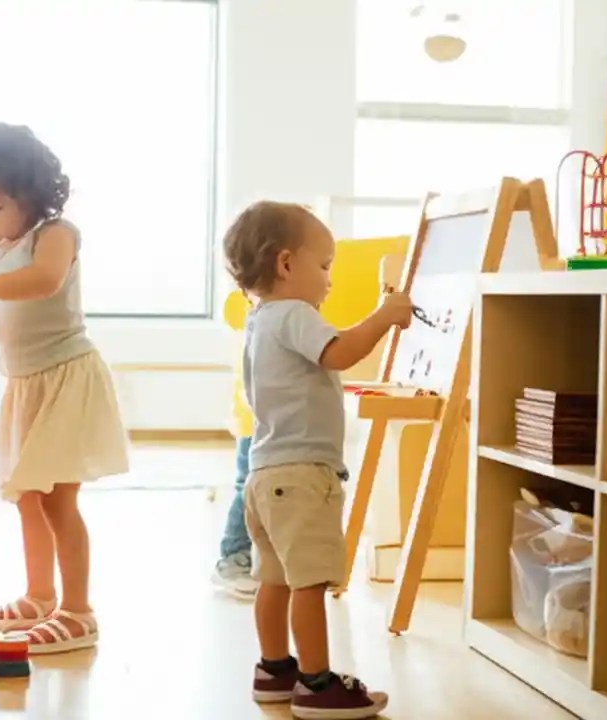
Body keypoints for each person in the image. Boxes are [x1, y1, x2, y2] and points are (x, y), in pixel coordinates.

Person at [0, 122, 129, 655]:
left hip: (66, 379)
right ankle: (40, 594)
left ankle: (79, 611)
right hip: (25, 383)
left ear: (31, 192)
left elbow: (43, 282)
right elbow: (7, 302)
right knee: (27, 498)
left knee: (60, 500)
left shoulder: (55, 234)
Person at [222, 200, 412, 719]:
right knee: (309, 582)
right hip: (301, 477)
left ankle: (274, 668)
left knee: (275, 578)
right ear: (286, 264)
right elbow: (340, 353)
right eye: (324, 266)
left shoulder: (260, 320)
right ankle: (316, 682)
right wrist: (384, 316)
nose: (329, 280)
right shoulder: (294, 313)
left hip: (264, 475)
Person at [211, 298, 258, 598]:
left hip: (258, 415)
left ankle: (243, 556)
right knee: (249, 486)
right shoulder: (263, 312)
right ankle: (234, 558)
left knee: (251, 485)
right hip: (256, 418)